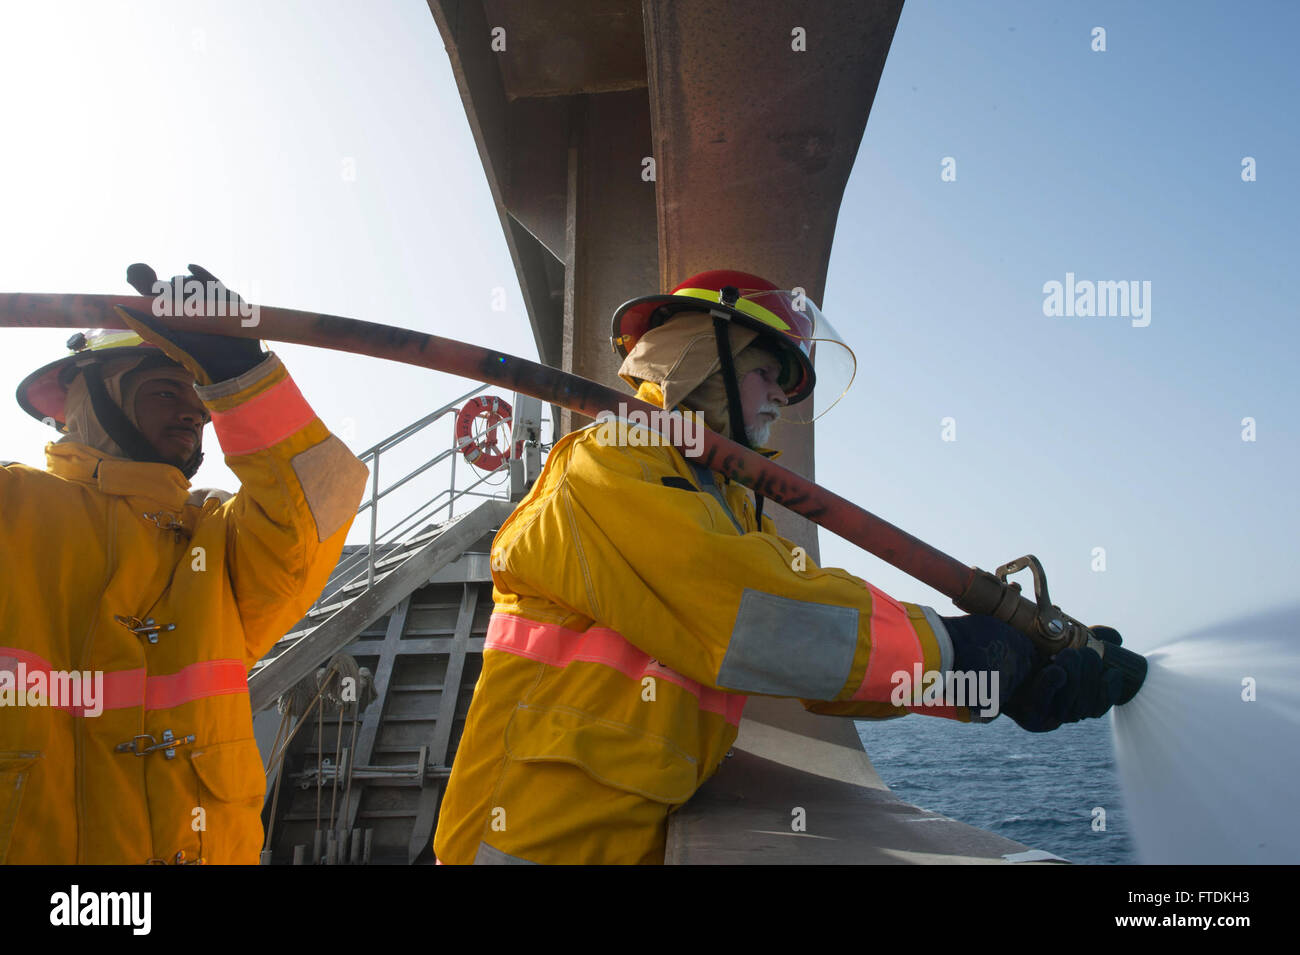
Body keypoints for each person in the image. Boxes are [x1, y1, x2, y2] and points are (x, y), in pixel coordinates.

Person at [432, 269, 1125, 865]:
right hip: (523, 843)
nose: (779, 401)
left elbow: (815, 651)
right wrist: (955, 647)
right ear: (705, 356)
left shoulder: (724, 499)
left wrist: (987, 682)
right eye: (769, 373)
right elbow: (761, 613)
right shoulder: (608, 465)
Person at [0, 263, 369, 865]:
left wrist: (244, 378)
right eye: (166, 391)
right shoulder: (12, 508)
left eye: (200, 397)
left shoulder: (220, 537)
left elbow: (318, 508)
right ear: (91, 398)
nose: (193, 413)